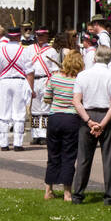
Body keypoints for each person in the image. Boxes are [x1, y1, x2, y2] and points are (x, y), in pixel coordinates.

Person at [71, 48, 111, 204]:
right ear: (110, 59)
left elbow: (76, 101)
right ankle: (109, 196)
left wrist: (88, 121)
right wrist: (103, 123)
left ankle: (78, 194)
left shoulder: (83, 75)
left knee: (84, 158)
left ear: (94, 58)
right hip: (107, 115)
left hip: (88, 114)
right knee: (109, 158)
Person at [43, 50, 85, 201]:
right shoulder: (79, 81)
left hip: (55, 117)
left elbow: (47, 97)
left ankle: (48, 190)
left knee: (53, 154)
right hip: (72, 118)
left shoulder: (55, 78)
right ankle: (67, 192)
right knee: (68, 155)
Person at [0, 27, 34, 152]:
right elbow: (30, 72)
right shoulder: (24, 51)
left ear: (9, 37)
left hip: (4, 82)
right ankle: (18, 143)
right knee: (19, 113)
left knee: (3, 113)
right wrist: (31, 89)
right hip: (19, 82)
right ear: (18, 36)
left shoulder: (0, 50)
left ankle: (3, 143)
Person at [29, 28, 60, 145]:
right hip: (34, 80)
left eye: (42, 35)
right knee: (35, 110)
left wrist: (51, 83)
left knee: (45, 109)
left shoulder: (52, 51)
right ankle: (35, 134)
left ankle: (44, 134)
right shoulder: (31, 49)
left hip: (45, 80)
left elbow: (55, 70)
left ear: (47, 36)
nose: (40, 38)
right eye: (38, 35)